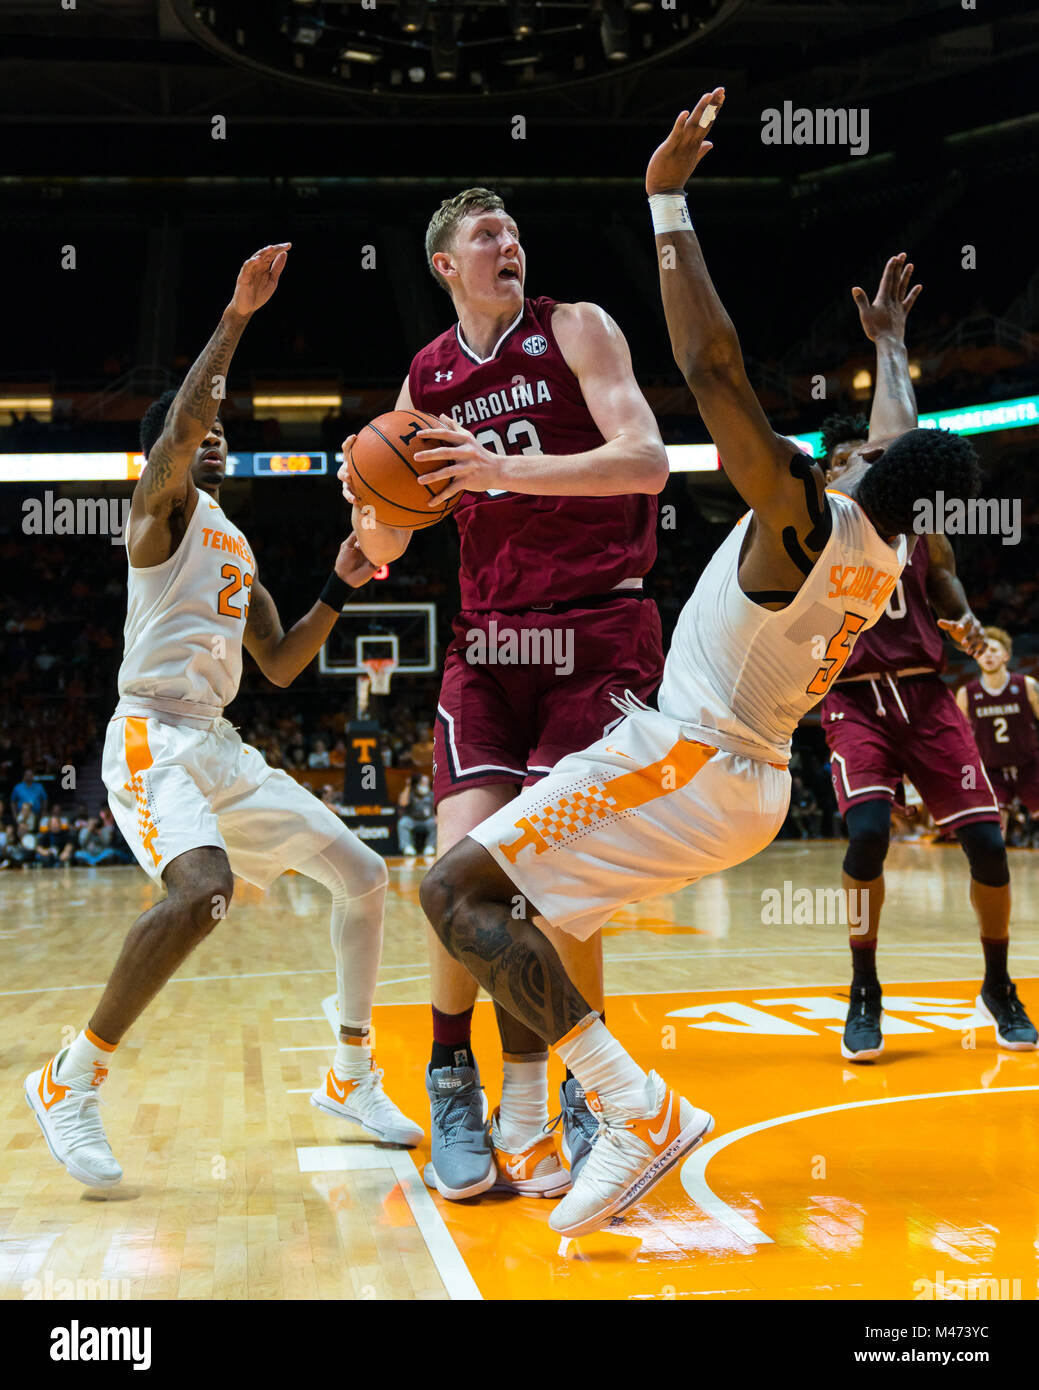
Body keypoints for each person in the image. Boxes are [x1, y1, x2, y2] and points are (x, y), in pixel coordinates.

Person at [419, 91, 986, 1237]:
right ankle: (546, 1106)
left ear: (860, 471)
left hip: (688, 754)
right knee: (517, 900)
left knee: (452, 889)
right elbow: (902, 441)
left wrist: (666, 203)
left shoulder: (801, 517)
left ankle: (629, 1108)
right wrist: (886, 349)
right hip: (749, 780)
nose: (858, 438)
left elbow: (712, 367)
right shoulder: (882, 549)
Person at [24, 244, 421, 1191]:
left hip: (221, 742)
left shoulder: (235, 543)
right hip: (150, 735)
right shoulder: (156, 515)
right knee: (201, 891)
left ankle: (350, 1071)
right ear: (169, 447)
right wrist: (238, 315)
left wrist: (341, 583)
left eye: (216, 433)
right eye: (194, 430)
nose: (211, 437)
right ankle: (69, 1079)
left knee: (363, 877)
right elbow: (186, 420)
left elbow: (280, 664)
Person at [344, 182, 668, 1199]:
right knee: (459, 875)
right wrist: (369, 507)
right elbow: (393, 537)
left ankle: (585, 1089)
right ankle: (450, 1074)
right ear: (446, 264)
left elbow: (647, 461)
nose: (508, 243)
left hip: (598, 632)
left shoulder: (575, 328)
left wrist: (497, 472)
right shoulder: (426, 376)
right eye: (486, 234)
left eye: (515, 231)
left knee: (568, 881)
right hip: (489, 644)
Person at [820, 462, 1037, 1055]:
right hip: (855, 697)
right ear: (825, 472)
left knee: (990, 846)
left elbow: (946, 587)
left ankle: (998, 985)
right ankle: (864, 989)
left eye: (862, 457)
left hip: (926, 694)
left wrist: (965, 622)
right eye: (840, 459)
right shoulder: (816, 529)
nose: (854, 466)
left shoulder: (919, 526)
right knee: (866, 834)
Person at [956, 627, 1039, 824]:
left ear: (1006, 656)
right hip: (992, 772)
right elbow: (960, 740)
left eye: (994, 650)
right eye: (982, 651)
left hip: (1029, 767)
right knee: (991, 824)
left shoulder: (1027, 685)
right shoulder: (966, 694)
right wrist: (968, 776)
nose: (988, 655)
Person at [398, 773, 436, 859]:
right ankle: (407, 847)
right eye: (423, 783)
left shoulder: (431, 794)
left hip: (427, 820)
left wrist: (436, 817)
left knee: (435, 822)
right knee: (403, 822)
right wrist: (408, 786)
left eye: (426, 783)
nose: (425, 785)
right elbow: (402, 803)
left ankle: (430, 846)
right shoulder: (410, 793)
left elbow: (435, 809)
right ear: (417, 784)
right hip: (412, 820)